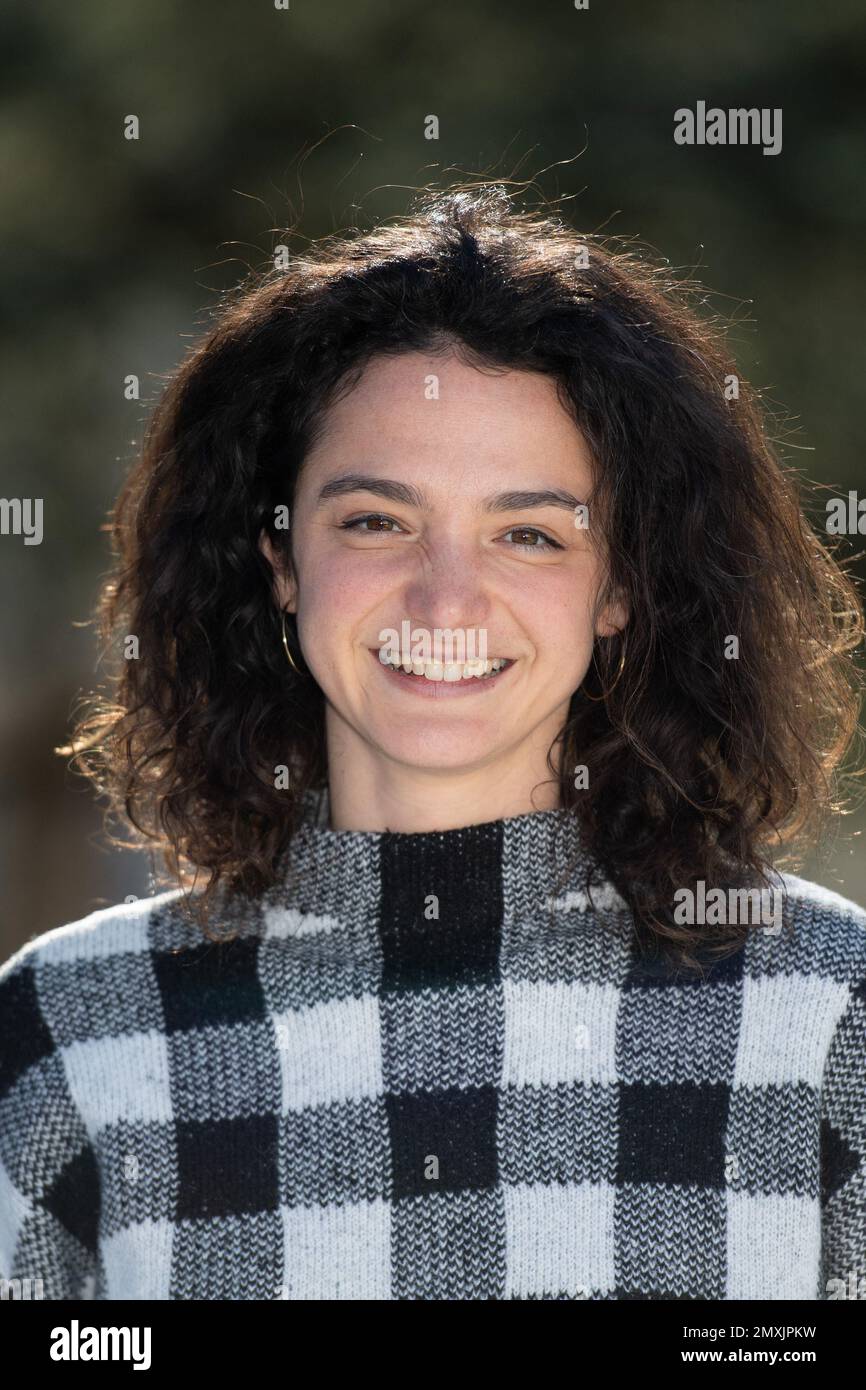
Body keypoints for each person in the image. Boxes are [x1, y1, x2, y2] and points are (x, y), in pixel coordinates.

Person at [1, 184, 864, 1301]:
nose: (445, 603)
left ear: (619, 587)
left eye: (528, 533)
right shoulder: (68, 1033)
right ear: (278, 558)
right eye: (376, 520)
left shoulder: (827, 1010)